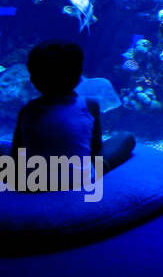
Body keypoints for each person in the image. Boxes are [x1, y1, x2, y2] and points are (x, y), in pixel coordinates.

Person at [10, 40, 134, 186]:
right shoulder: (89, 105)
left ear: (33, 79)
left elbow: (17, 154)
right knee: (126, 138)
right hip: (80, 180)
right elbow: (94, 149)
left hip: (34, 182)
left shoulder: (27, 111)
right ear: (78, 77)